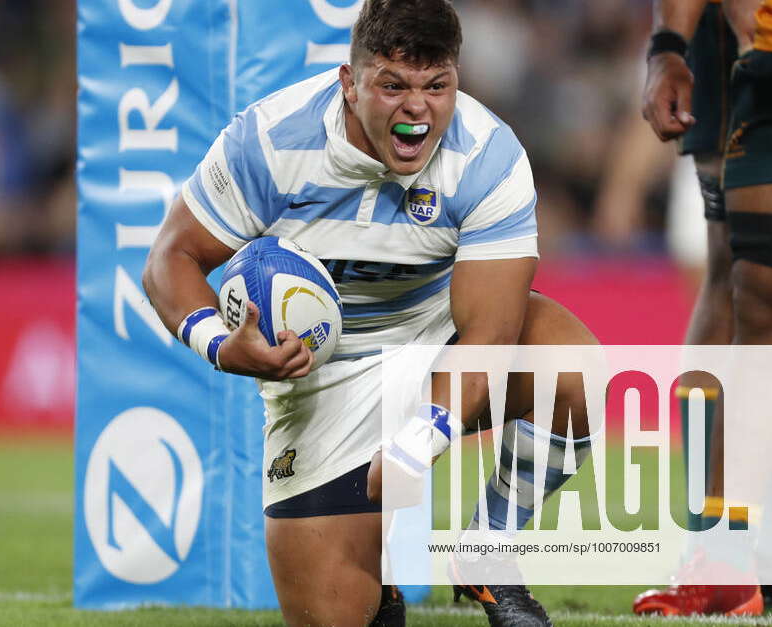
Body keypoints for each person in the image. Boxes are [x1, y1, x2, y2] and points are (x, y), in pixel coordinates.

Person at [144, 1, 596, 625]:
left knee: (572, 367)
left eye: (437, 86)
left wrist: (421, 438)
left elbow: (491, 332)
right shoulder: (272, 142)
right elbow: (171, 257)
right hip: (321, 381)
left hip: (439, 340)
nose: (418, 108)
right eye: (393, 85)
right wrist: (219, 345)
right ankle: (374, 578)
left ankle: (486, 552)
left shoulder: (489, 157)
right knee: (337, 618)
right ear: (349, 84)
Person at [633, 0, 772, 616]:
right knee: (743, 277)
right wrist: (667, 45)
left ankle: (738, 543)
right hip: (740, 49)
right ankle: (723, 540)